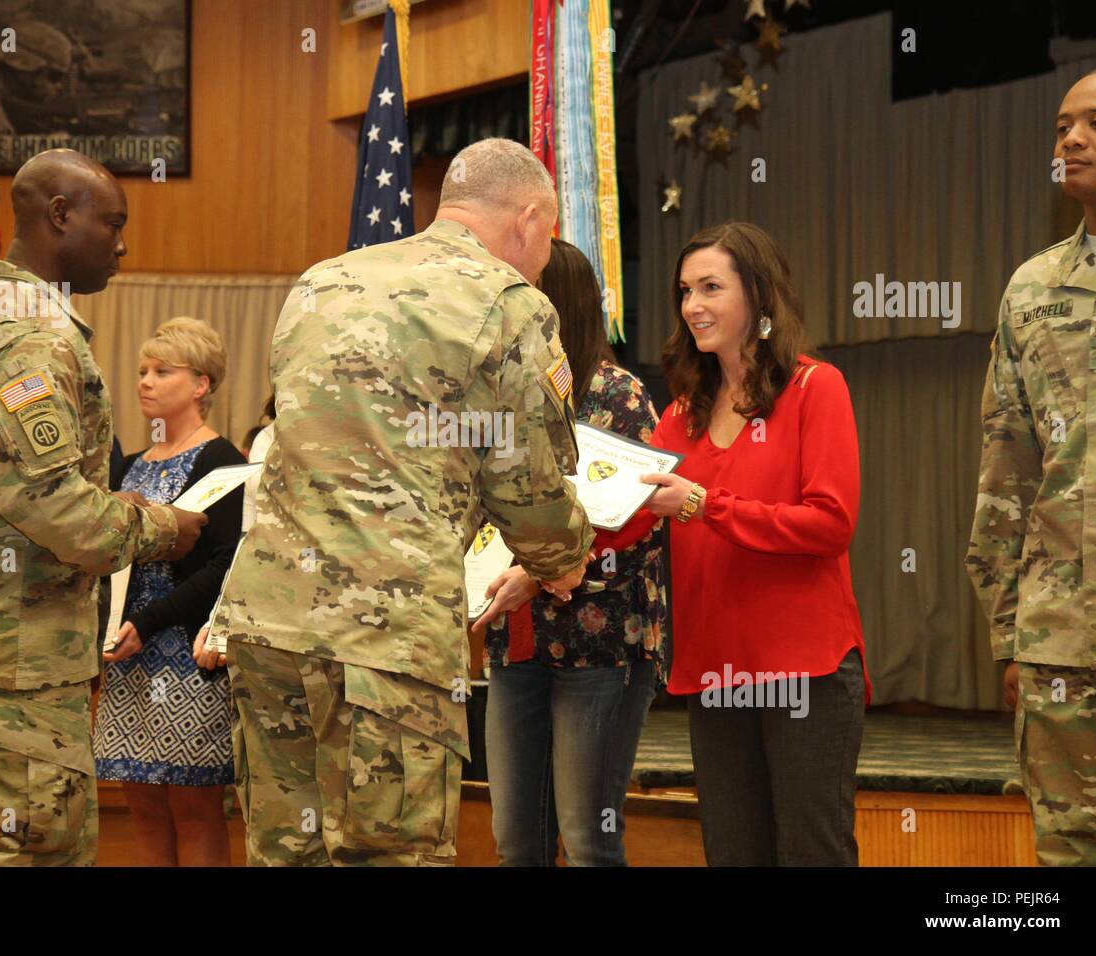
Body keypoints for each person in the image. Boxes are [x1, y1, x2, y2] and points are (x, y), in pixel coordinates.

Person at [202, 137, 593, 866]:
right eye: (550, 236)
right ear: (529, 217)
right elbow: (528, 486)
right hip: (386, 638)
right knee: (392, 857)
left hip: (267, 624)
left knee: (286, 856)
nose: (545, 255)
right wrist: (564, 557)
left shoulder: (323, 280)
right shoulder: (510, 304)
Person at [0, 148, 206, 867]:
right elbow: (46, 501)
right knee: (32, 854)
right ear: (59, 215)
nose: (122, 243)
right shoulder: (35, 337)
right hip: (17, 655)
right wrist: (166, 527)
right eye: (113, 223)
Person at [608, 222, 868, 865]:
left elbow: (829, 524)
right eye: (684, 290)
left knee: (812, 853)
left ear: (757, 296)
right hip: (714, 671)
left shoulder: (815, 388)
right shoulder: (683, 411)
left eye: (711, 288)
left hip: (803, 670)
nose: (692, 305)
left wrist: (703, 503)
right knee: (734, 855)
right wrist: (536, 561)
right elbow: (627, 519)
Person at [474, 238, 666, 866]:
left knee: (589, 842)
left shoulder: (618, 395)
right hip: (517, 645)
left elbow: (638, 528)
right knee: (516, 844)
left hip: (602, 648)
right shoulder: (506, 397)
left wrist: (541, 570)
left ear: (555, 304)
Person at [966, 64, 1096, 867]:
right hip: (1062, 639)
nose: (1072, 140)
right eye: (1062, 126)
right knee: (1071, 852)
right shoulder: (1033, 290)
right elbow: (1007, 467)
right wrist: (1010, 632)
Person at [94, 317, 245, 867]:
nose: (145, 381)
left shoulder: (222, 460)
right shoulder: (129, 465)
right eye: (141, 371)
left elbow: (227, 565)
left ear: (201, 384)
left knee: (195, 810)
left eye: (162, 371)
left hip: (186, 653)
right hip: (127, 656)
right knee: (145, 811)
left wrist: (151, 620)